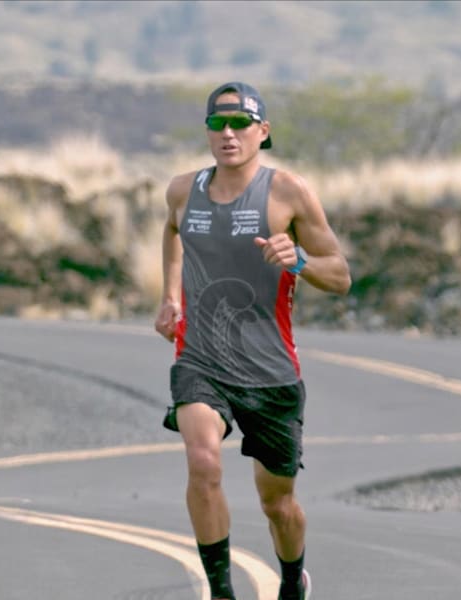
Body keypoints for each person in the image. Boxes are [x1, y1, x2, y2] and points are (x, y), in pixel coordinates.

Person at [153, 82, 351, 600]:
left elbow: (341, 276)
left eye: (241, 124)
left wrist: (300, 262)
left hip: (270, 371)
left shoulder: (288, 192)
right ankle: (221, 592)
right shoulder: (182, 190)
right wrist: (170, 296)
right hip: (201, 357)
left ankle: (292, 580)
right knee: (203, 461)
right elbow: (172, 233)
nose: (229, 134)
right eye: (218, 125)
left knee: (277, 504)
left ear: (263, 132)